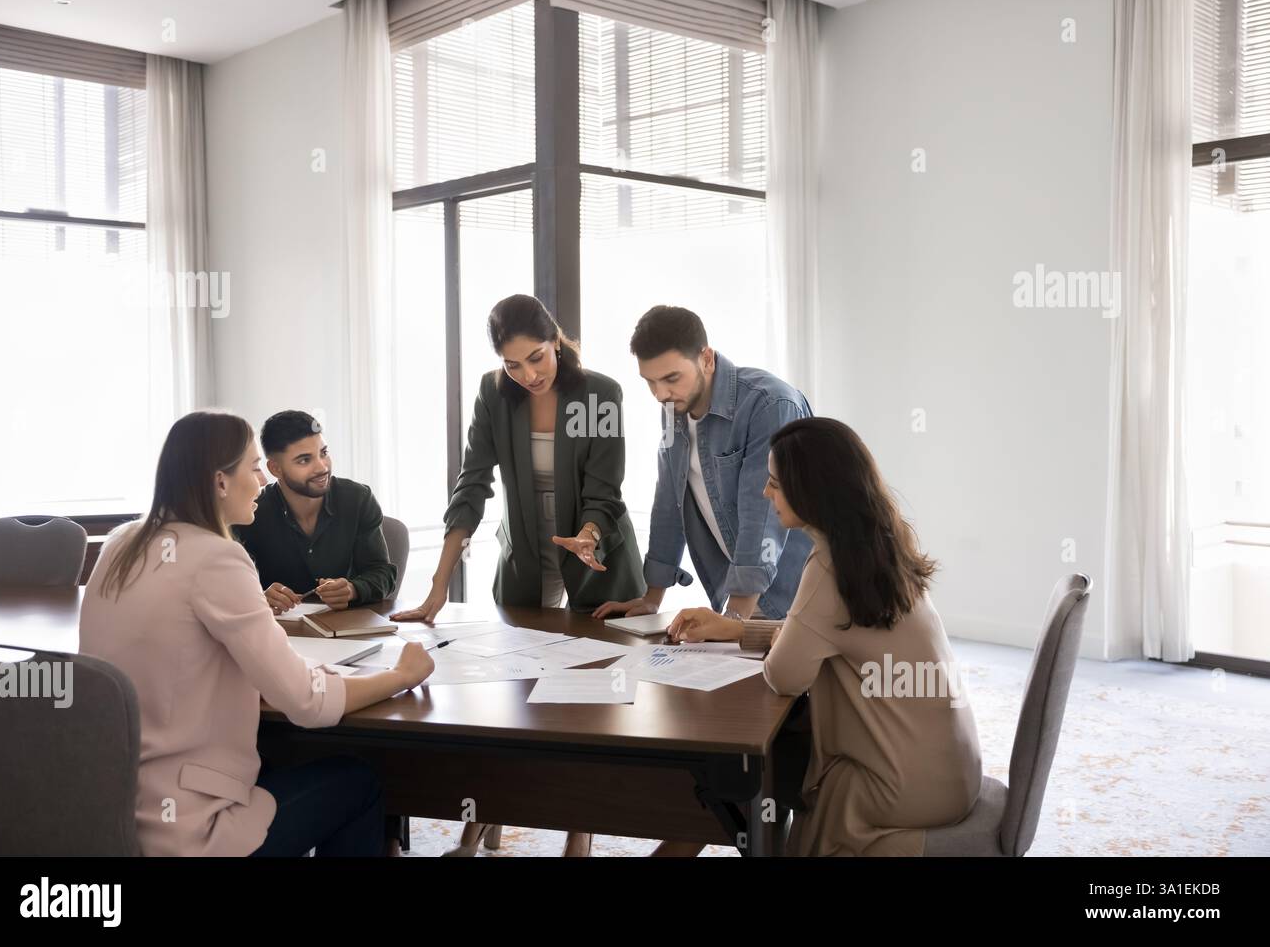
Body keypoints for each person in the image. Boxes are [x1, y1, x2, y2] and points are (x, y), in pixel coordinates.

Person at [80, 411, 434, 856]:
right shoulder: (217, 558)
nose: (263, 479)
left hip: (111, 810)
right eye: (253, 467)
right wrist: (402, 676)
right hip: (188, 829)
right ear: (220, 482)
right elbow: (307, 703)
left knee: (285, 762)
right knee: (358, 780)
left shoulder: (119, 543)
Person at [393, 293, 646, 857]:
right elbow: (472, 485)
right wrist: (437, 585)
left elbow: (606, 489)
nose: (527, 374)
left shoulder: (598, 393)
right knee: (514, 701)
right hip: (527, 553)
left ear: (555, 340)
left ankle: (579, 831)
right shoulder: (494, 394)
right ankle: (484, 818)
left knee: (589, 702)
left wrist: (588, 533)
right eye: (513, 364)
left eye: (537, 357)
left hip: (591, 552)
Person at [667, 417, 983, 856]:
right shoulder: (879, 541)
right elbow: (830, 635)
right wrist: (738, 630)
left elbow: (786, 675)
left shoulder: (829, 567)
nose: (765, 493)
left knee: (768, 763)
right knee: (777, 759)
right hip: (950, 767)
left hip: (902, 787)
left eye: (775, 484)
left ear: (810, 490)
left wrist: (756, 634)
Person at [594, 305, 813, 624]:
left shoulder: (769, 404)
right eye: (650, 382)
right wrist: (651, 599)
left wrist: (735, 618)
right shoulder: (672, 409)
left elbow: (761, 515)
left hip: (799, 600)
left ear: (707, 359)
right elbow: (668, 502)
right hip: (743, 603)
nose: (659, 394)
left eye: (671, 378)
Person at [234, 410, 396, 614]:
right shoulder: (252, 510)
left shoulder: (357, 498)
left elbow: (383, 573)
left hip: (347, 629)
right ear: (275, 469)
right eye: (304, 460)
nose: (322, 467)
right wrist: (258, 595)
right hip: (282, 632)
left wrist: (353, 589)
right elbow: (229, 581)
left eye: (324, 453)